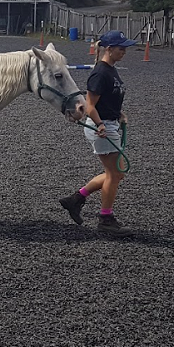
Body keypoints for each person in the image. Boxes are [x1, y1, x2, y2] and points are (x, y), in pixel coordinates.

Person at [59, 30, 136, 238]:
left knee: (116, 174)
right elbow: (90, 105)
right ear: (109, 49)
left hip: (110, 123)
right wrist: (101, 124)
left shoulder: (110, 70)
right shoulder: (100, 73)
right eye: (121, 49)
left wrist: (117, 112)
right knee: (114, 174)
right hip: (102, 127)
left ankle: (77, 198)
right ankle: (105, 219)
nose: (124, 52)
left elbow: (107, 99)